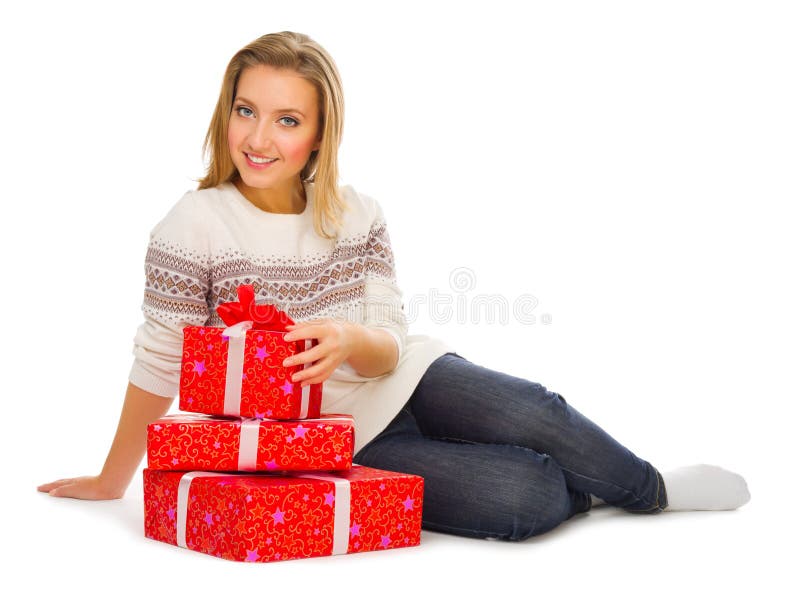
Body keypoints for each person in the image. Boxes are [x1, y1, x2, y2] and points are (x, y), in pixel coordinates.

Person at [37, 31, 750, 541]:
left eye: (287, 120)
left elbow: (388, 343)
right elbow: (160, 359)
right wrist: (112, 478)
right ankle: (589, 489)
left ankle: (652, 489)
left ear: (318, 136)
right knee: (524, 499)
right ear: (225, 113)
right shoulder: (191, 226)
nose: (259, 138)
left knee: (538, 412)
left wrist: (346, 338)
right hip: (339, 436)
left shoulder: (358, 214)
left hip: (407, 375)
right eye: (246, 110)